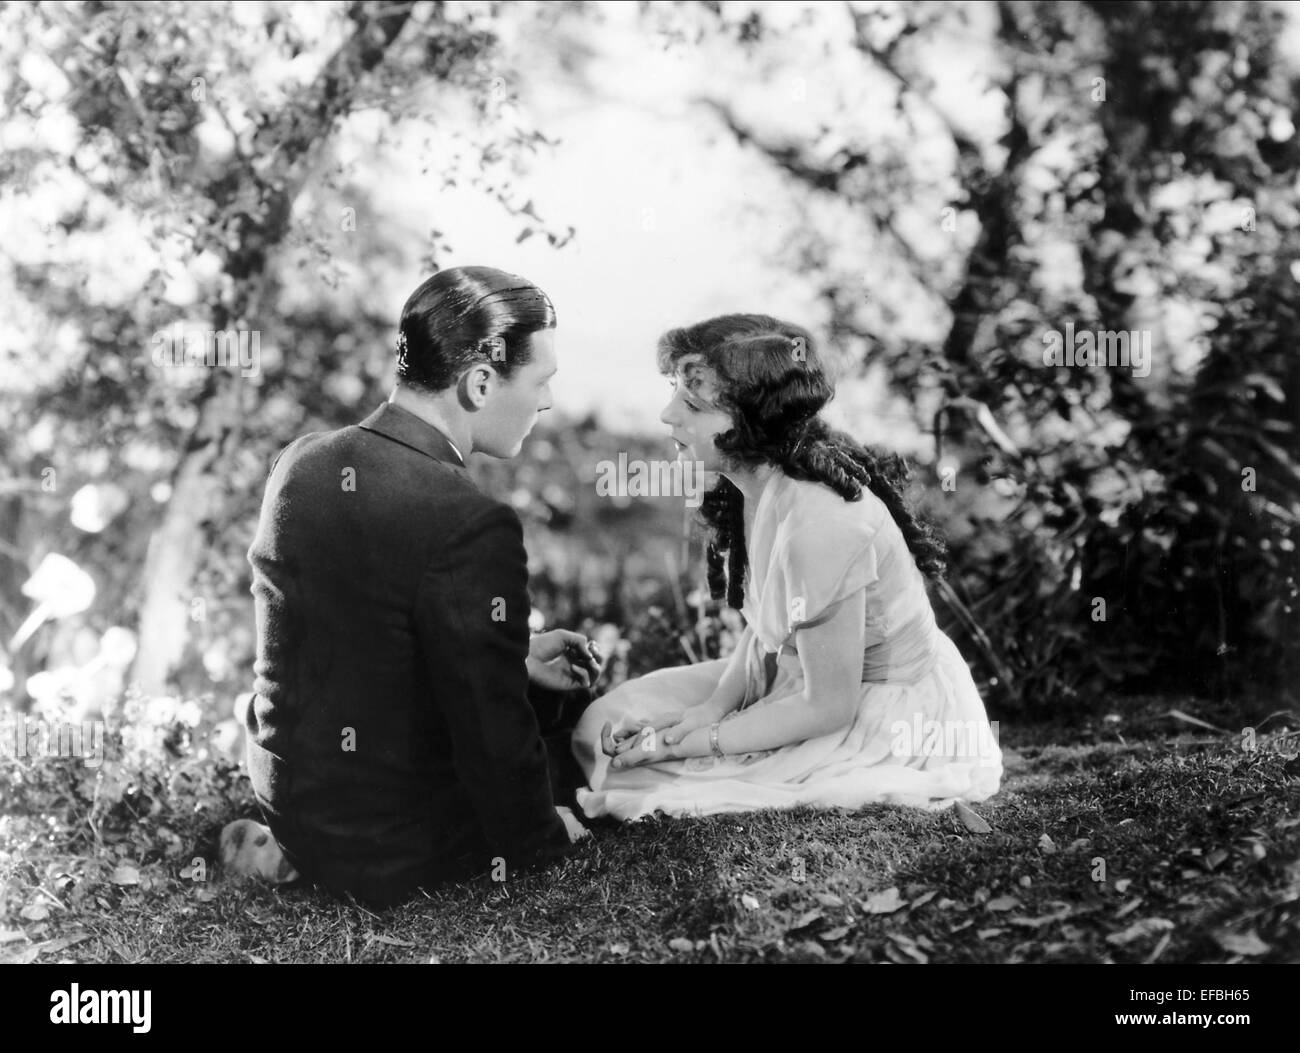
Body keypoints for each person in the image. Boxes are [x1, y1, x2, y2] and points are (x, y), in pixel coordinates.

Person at [243, 266, 596, 909]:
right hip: (390, 846)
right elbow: (492, 738)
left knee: (546, 710)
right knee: (579, 734)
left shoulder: (301, 461)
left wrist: (512, 659)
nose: (546, 403)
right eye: (541, 382)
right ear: (480, 382)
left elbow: (364, 640)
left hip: (290, 807)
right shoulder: (469, 520)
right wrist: (546, 840)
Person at [572, 314, 1002, 820]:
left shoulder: (819, 523)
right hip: (798, 678)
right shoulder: (751, 488)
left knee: (656, 778)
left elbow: (828, 707)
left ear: (750, 424)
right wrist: (709, 709)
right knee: (606, 721)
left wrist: (692, 742)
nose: (667, 416)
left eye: (691, 405)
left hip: (877, 710)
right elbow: (769, 632)